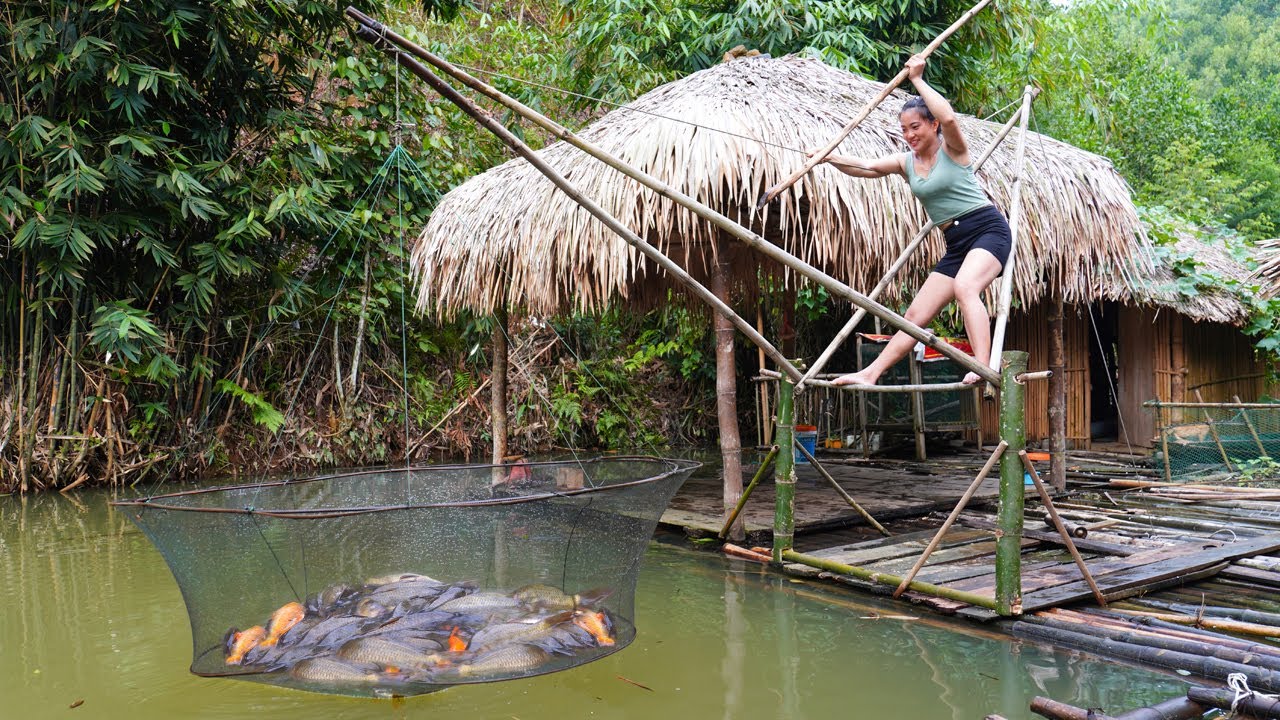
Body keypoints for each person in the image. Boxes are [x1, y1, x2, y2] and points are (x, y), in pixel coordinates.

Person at [812, 54, 1011, 386]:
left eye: (915, 126)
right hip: (957, 243)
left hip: (987, 229)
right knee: (915, 316)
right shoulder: (906, 162)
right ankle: (871, 373)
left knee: (966, 287)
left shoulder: (954, 150)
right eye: (904, 129)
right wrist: (829, 158)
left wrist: (917, 78)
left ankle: (982, 364)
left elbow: (948, 115)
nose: (909, 135)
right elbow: (866, 168)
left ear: (931, 125)